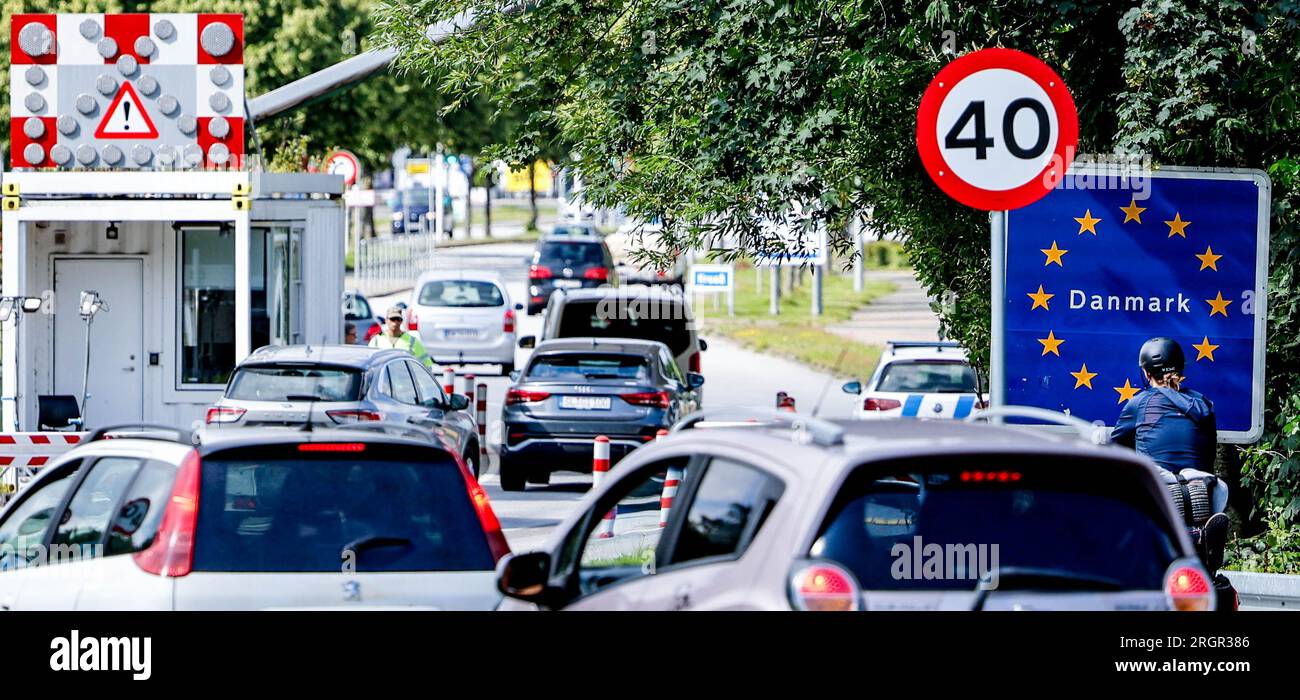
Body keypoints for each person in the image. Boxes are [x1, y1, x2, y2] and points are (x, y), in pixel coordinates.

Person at [1112, 337, 1229, 573]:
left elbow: (1115, 450)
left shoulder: (1139, 404)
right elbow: (1208, 453)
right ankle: (1207, 549)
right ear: (1181, 368)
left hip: (1159, 489)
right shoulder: (1203, 405)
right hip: (1201, 488)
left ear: (1146, 373)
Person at [369, 306, 433, 369]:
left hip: (405, 378)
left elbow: (427, 364)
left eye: (398, 319)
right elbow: (368, 363)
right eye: (392, 319)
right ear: (386, 320)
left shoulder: (412, 341)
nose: (395, 322)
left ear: (401, 321)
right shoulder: (376, 340)